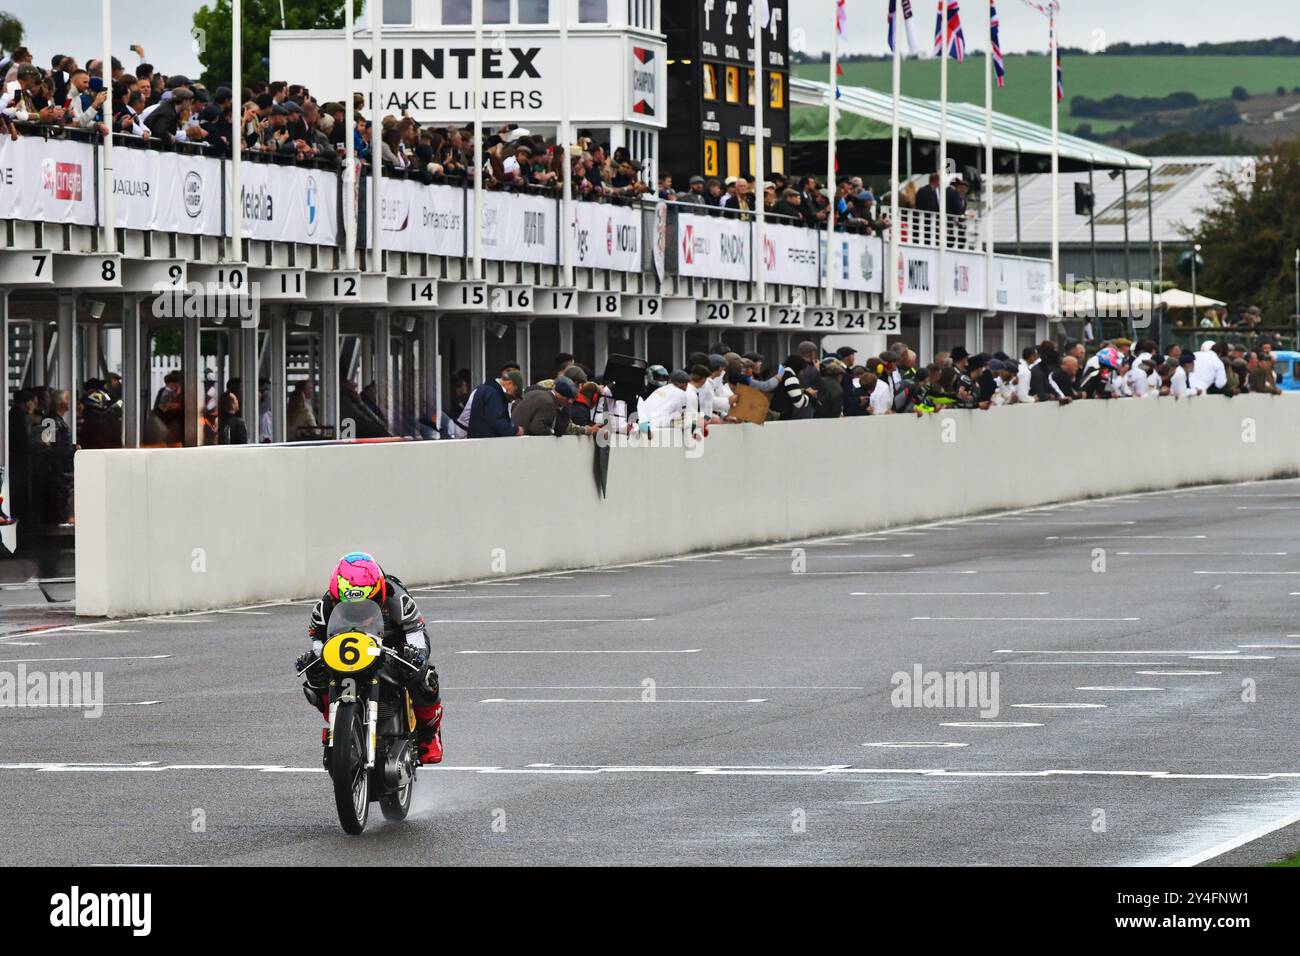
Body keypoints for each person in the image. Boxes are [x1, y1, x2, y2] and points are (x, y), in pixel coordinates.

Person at [296, 553, 443, 765]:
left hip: (393, 645)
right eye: (348, 606)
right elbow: (318, 638)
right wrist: (316, 656)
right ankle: (337, 727)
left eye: (364, 605)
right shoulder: (324, 606)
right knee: (315, 674)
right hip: (347, 649)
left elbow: (417, 637)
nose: (357, 612)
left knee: (425, 675)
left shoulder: (398, 600)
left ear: (379, 594)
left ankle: (431, 733)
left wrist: (414, 654)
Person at [467, 370, 524, 438]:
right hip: (487, 442)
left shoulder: (484, 389)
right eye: (515, 393)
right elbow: (496, 422)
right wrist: (515, 430)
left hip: (478, 440)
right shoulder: (494, 394)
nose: (514, 398)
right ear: (510, 383)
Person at [512, 376, 576, 435]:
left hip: (512, 437)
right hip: (523, 442)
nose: (569, 402)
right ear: (558, 394)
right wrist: (552, 431)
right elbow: (537, 428)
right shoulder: (549, 403)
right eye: (567, 398)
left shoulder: (535, 393)